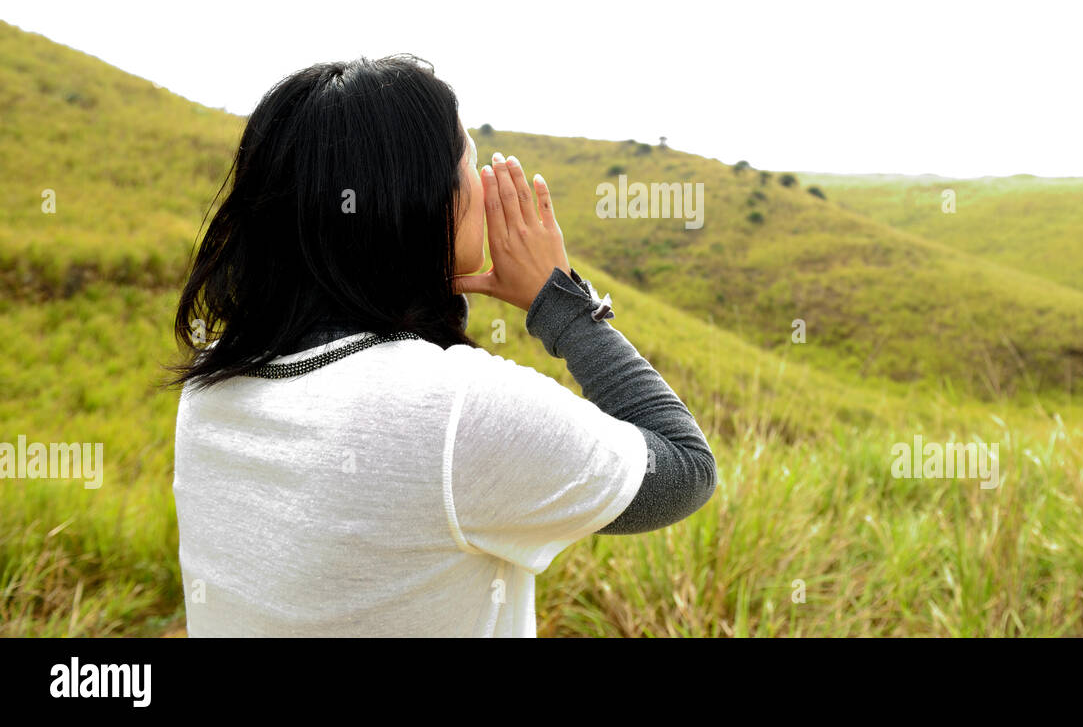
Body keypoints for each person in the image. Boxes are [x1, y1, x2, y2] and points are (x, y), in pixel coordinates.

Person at [166, 54, 717, 636]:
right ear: (423, 198)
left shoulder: (212, 380)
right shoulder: (453, 409)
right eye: (469, 161)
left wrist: (426, 289)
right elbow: (685, 470)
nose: (483, 186)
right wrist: (563, 309)